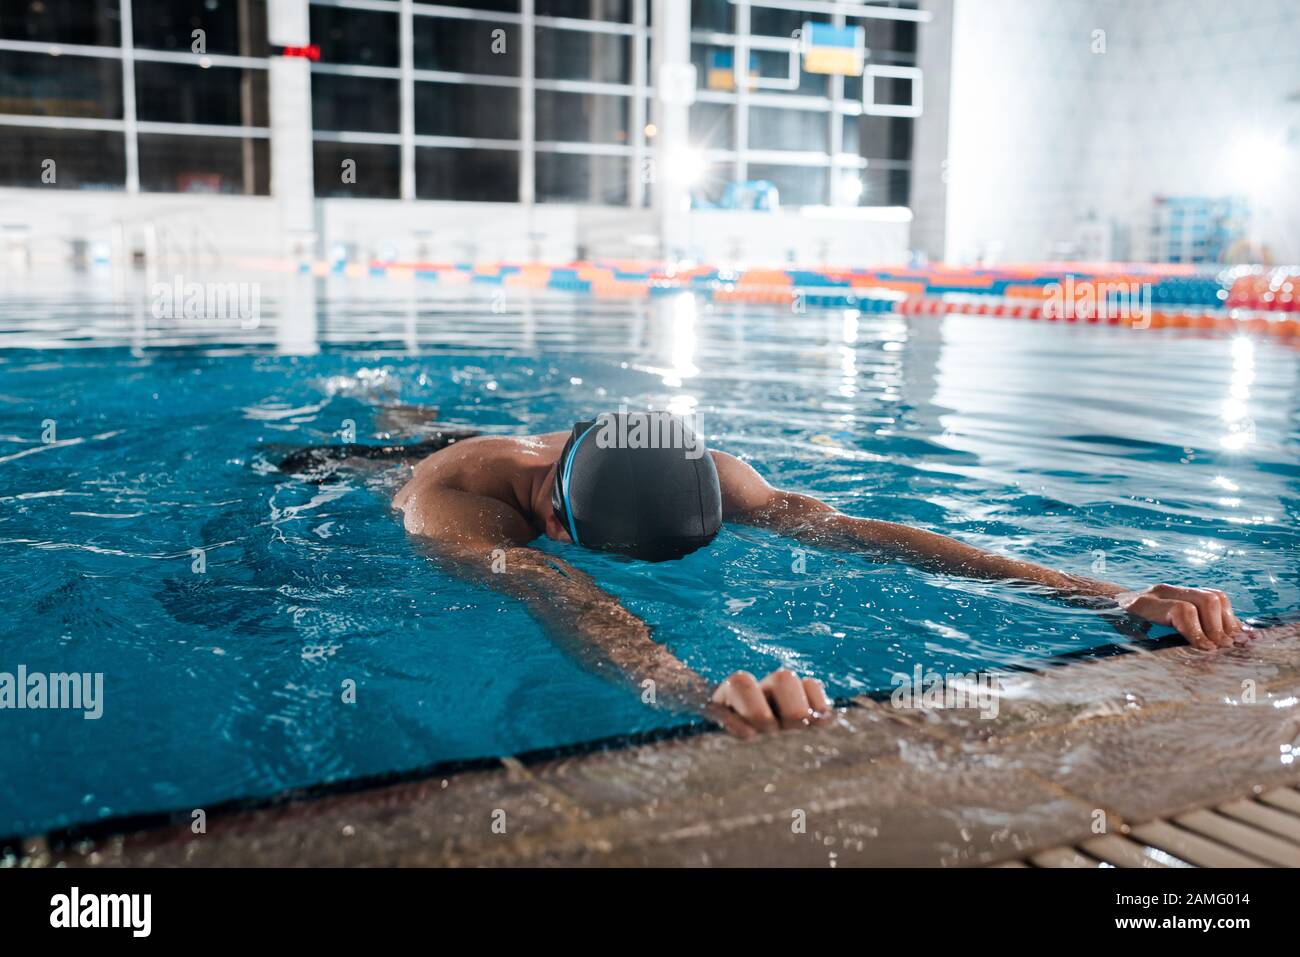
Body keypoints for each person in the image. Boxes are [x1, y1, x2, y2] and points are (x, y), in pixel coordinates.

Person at [284, 410, 1250, 738]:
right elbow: (560, 595)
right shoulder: (453, 508)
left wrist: (1112, 594)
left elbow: (871, 530)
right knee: (375, 446)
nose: (573, 554)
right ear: (552, 511)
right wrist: (693, 690)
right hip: (357, 477)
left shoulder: (715, 472)